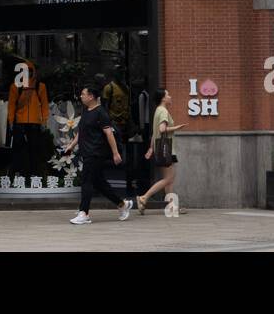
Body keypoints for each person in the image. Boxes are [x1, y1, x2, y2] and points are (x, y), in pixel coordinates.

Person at [65, 84, 134, 224]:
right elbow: (81, 131)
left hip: (96, 152)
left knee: (86, 181)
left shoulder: (101, 113)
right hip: (87, 152)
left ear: (91, 96)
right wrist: (71, 145)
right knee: (99, 182)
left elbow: (109, 134)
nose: (81, 96)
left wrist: (115, 153)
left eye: (83, 94)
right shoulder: (86, 110)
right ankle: (122, 204)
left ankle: (84, 213)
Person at [136, 88, 185, 214]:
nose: (170, 96)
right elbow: (162, 129)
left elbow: (154, 133)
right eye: (168, 95)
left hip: (160, 148)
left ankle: (172, 206)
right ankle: (144, 197)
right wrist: (177, 127)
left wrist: (151, 148)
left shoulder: (158, 110)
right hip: (166, 148)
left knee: (168, 179)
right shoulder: (163, 111)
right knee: (169, 178)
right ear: (163, 98)